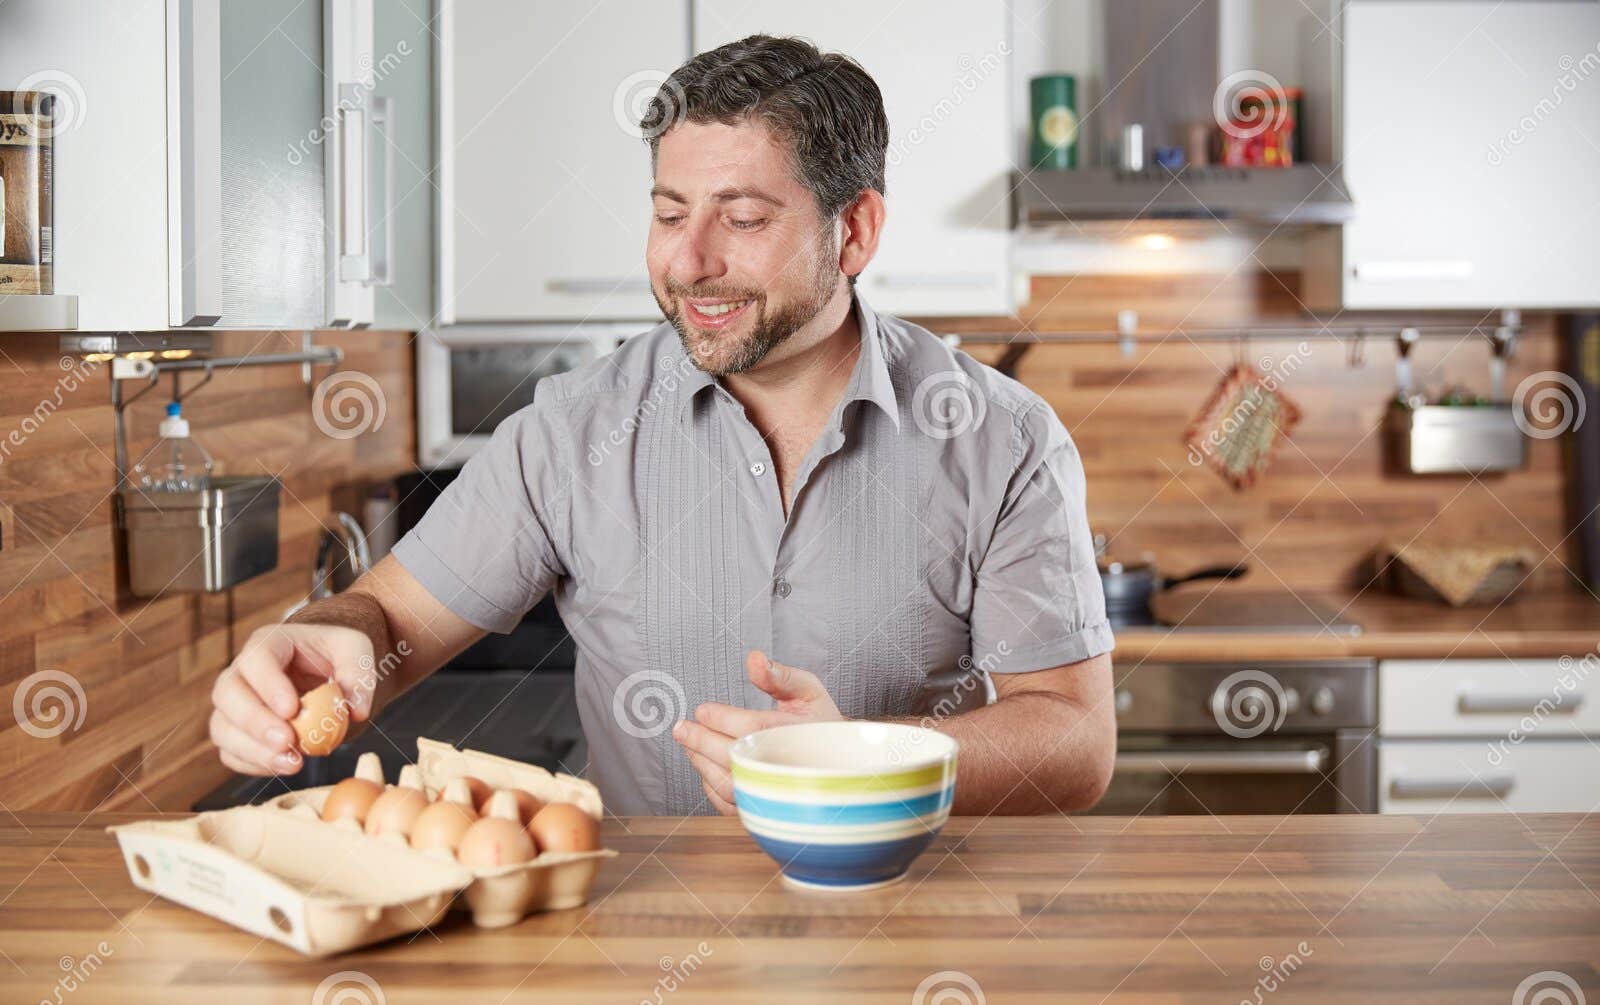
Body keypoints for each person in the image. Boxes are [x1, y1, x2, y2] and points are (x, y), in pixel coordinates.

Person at [207, 35, 1116, 816]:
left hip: (907, 936)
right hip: (639, 958)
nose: (689, 262)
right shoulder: (574, 431)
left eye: (745, 218)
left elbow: (1076, 740)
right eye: (668, 213)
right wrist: (331, 642)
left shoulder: (1001, 440)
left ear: (855, 231)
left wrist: (871, 760)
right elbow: (387, 620)